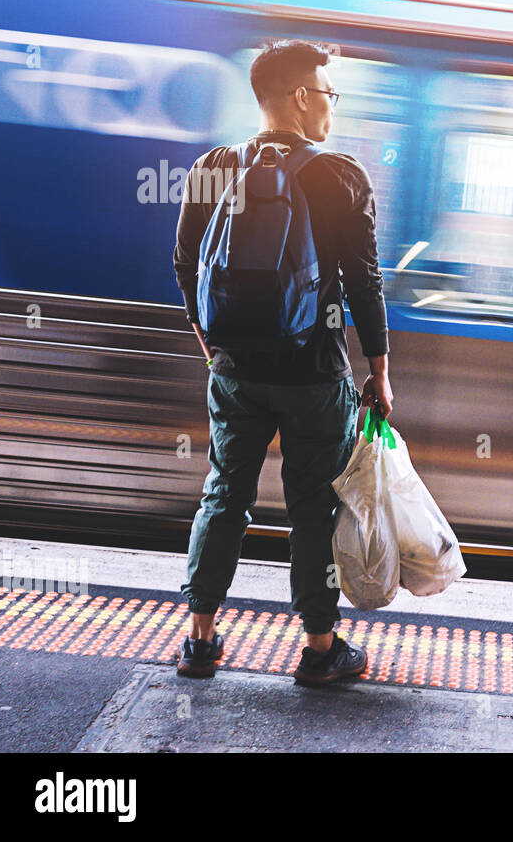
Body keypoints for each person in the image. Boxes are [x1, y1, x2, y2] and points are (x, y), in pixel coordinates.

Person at [172, 40, 393, 685]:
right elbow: (364, 283)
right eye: (328, 94)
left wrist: (210, 343)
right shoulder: (339, 175)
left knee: (224, 492)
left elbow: (186, 263)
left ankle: (200, 641)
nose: (331, 107)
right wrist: (379, 371)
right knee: (312, 508)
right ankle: (321, 648)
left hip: (235, 371)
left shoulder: (215, 167)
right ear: (300, 97)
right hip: (313, 374)